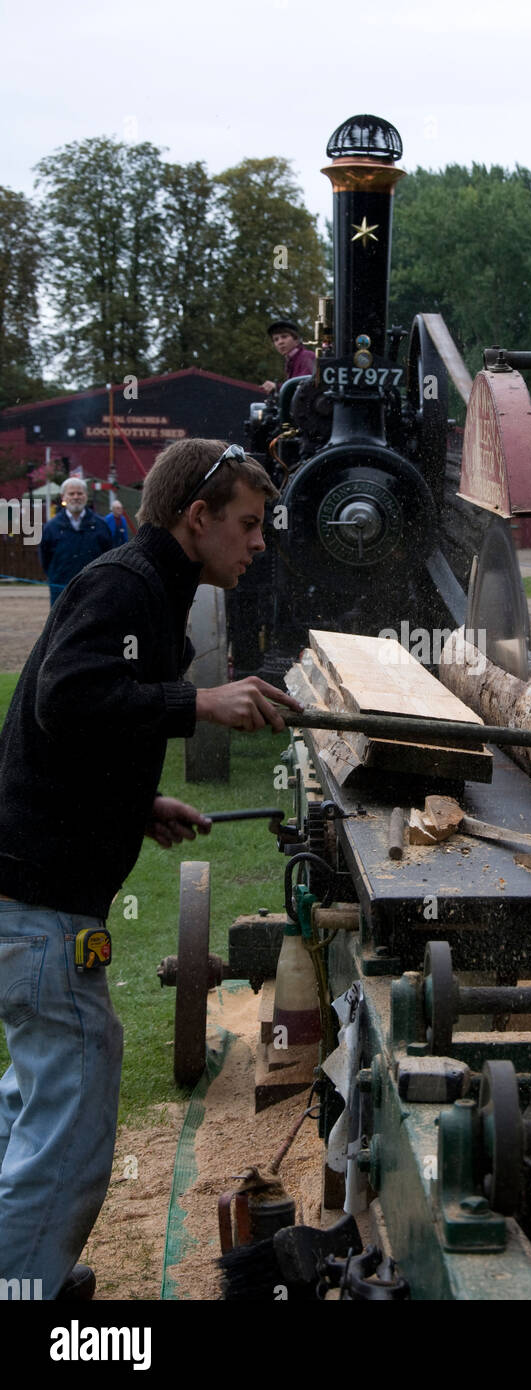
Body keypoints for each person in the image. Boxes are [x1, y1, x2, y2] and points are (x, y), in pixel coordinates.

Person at [0, 438, 303, 1300]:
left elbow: (73, 728)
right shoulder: (126, 582)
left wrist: (137, 807)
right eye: (246, 525)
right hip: (40, 902)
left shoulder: (151, 586)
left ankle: (18, 1261)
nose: (257, 543)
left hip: (34, 894)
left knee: (34, 1089)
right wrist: (198, 700)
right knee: (76, 1099)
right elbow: (66, 696)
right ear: (196, 517)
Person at [38, 478, 113, 606]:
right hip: (61, 590)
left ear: (86, 496)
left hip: (94, 589)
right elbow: (45, 559)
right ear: (63, 497)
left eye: (80, 493)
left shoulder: (101, 525)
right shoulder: (51, 527)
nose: (76, 497)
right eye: (71, 494)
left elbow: (109, 555)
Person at [261, 318, 316, 394]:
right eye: (276, 339)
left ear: (296, 339)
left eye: (284, 337)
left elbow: (305, 386)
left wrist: (277, 387)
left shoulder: (307, 356)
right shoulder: (290, 361)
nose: (280, 342)